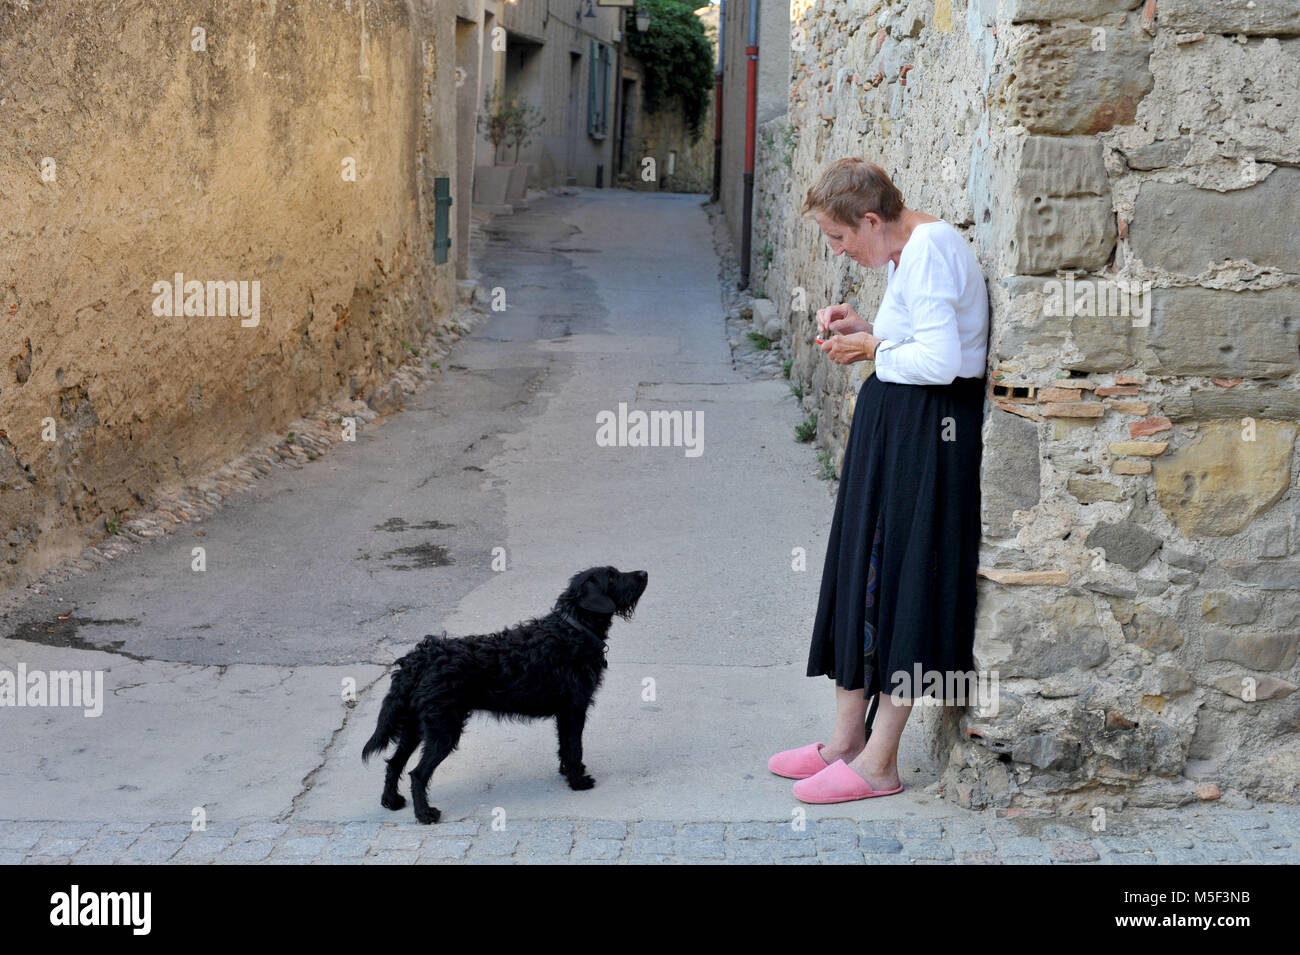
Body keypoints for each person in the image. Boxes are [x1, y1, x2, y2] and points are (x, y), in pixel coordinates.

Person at [768, 158, 989, 804]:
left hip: (930, 433)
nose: (838, 251)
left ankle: (880, 763)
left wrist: (870, 351)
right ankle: (845, 742)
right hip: (899, 426)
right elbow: (916, 337)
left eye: (840, 238)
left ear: (871, 219)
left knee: (903, 578)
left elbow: (945, 361)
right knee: (863, 569)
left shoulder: (931, 250)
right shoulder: (903, 253)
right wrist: (867, 330)